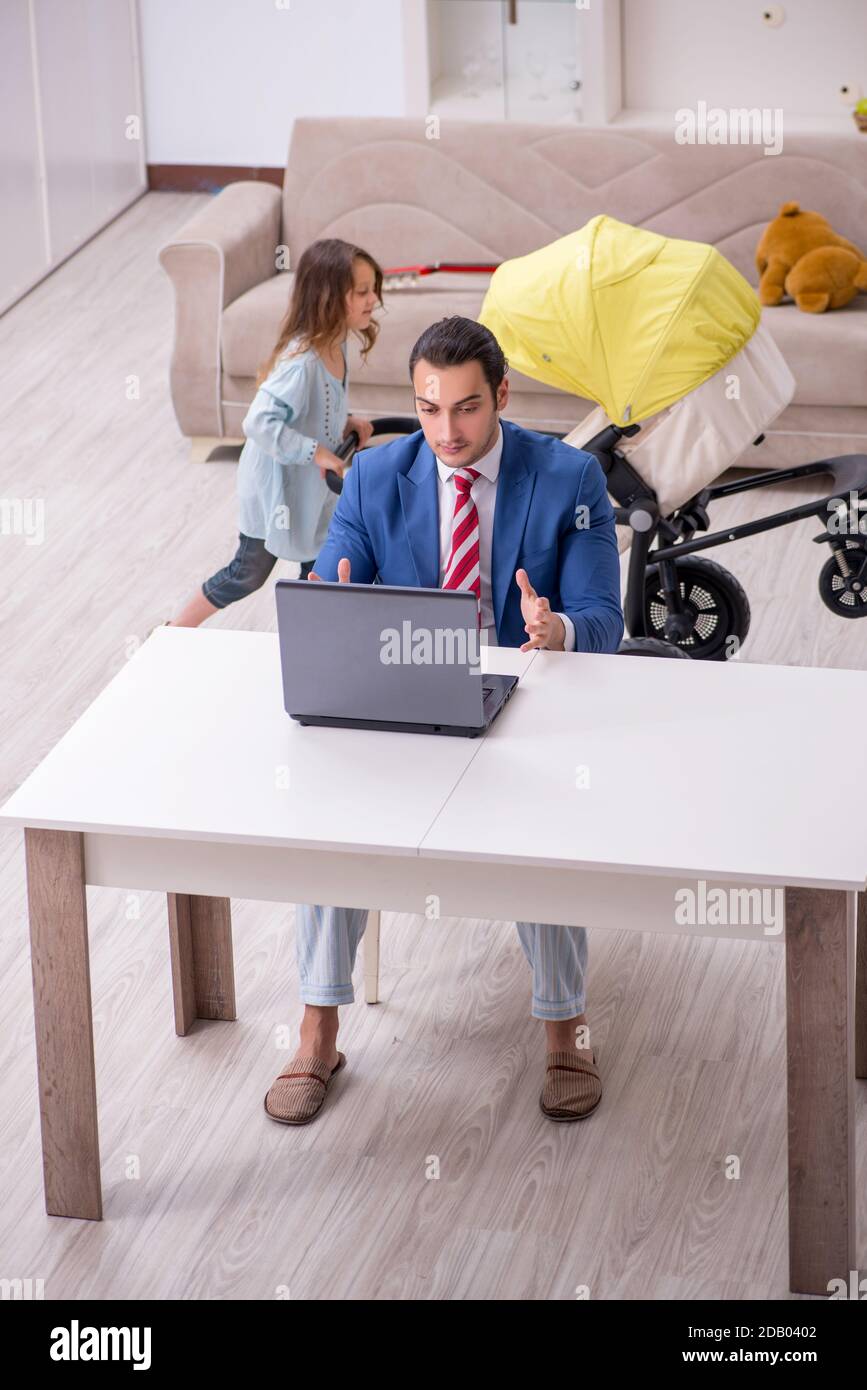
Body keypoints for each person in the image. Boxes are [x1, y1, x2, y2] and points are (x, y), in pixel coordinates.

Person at [264, 316, 624, 1128]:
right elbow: (332, 585)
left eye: (464, 409)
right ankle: (318, 1032)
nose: (446, 432)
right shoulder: (375, 476)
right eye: (428, 409)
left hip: (524, 694)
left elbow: (605, 618)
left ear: (500, 395)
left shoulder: (568, 479)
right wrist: (338, 601)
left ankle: (565, 1030)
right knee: (332, 818)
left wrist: (554, 629)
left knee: (543, 823)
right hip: (408, 698)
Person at [168, 239, 380, 627]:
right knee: (248, 572)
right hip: (274, 488)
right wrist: (316, 451)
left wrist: (345, 423)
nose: (373, 300)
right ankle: (175, 630)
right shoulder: (302, 363)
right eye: (362, 292)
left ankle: (308, 642)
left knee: (320, 564)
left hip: (307, 486)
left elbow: (318, 408)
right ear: (331, 298)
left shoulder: (338, 343)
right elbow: (259, 422)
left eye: (373, 290)